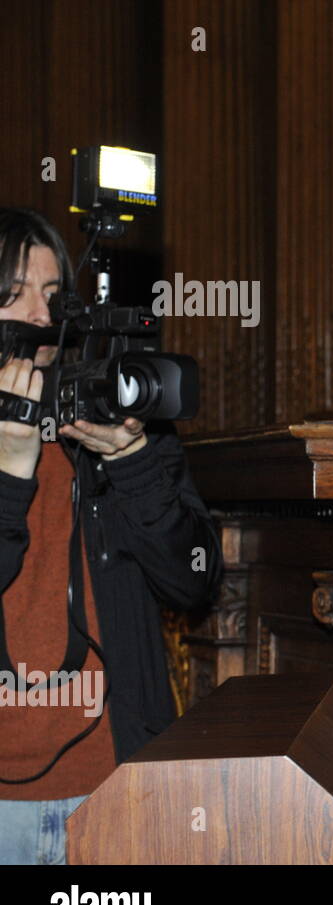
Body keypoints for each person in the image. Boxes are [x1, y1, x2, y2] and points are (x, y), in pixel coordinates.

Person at [0, 208, 222, 864]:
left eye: (50, 295)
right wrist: (12, 472)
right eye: (12, 294)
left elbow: (196, 578)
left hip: (113, 788)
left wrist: (132, 463)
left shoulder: (108, 416)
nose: (39, 317)